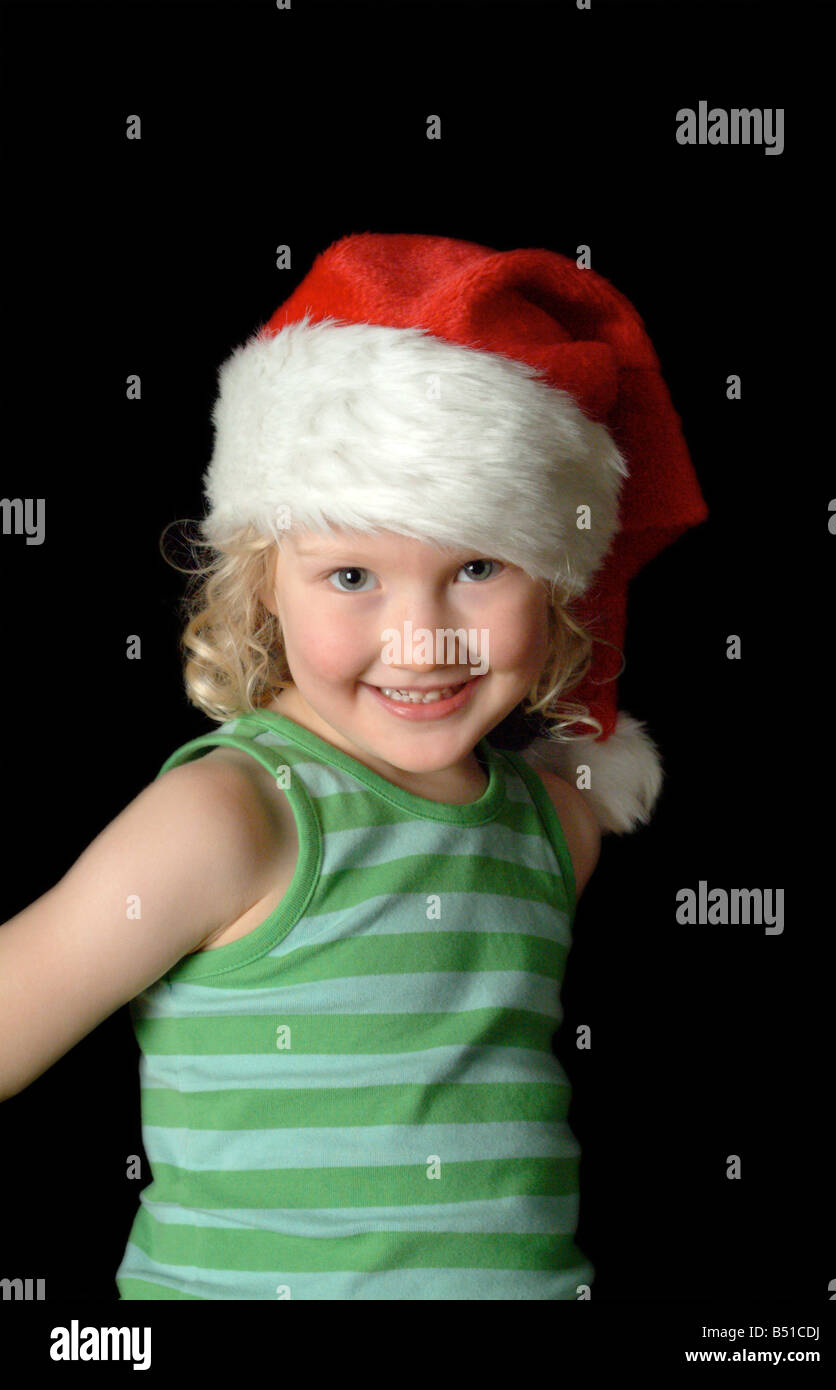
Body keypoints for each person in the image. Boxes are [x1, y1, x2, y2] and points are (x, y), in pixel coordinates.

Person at [0, 233, 707, 1299]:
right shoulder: (232, 817)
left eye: (478, 565)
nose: (421, 640)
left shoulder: (555, 826)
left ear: (560, 579)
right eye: (351, 574)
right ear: (262, 585)